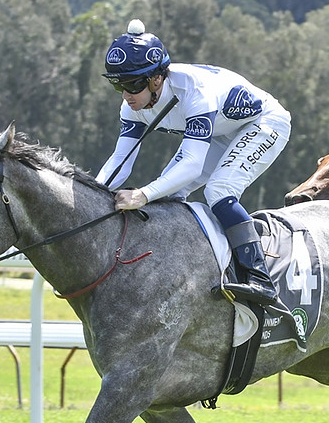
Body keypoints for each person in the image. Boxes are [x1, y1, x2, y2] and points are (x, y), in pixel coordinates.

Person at [95, 19, 291, 305]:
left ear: (157, 79)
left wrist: (142, 194)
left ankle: (259, 278)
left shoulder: (193, 92)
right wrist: (94, 193)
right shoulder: (133, 106)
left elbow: (192, 165)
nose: (126, 96)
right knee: (170, 195)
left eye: (132, 85)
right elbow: (120, 160)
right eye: (118, 86)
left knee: (219, 191)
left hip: (262, 123)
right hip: (221, 132)